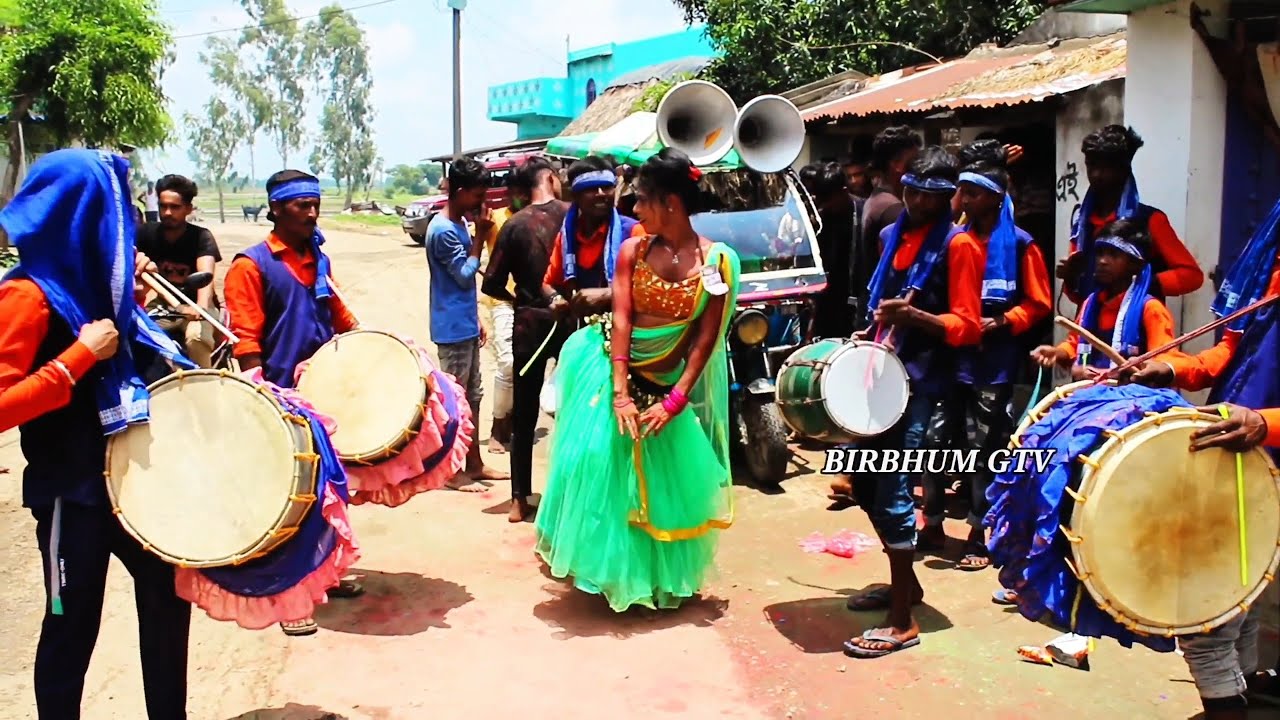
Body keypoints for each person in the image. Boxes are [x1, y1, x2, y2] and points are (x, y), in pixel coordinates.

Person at [0, 149, 196, 719]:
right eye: (113, 210)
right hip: (73, 493)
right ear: (79, 217)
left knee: (167, 604)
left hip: (135, 487)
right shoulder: (26, 296)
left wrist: (133, 299)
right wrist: (77, 359)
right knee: (71, 625)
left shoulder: (100, 289)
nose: (125, 221)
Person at [534, 147, 739, 612]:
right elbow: (622, 318)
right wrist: (621, 392)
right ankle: (607, 574)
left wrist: (676, 401)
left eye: (643, 199)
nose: (635, 208)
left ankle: (655, 580)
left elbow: (706, 338)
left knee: (664, 487)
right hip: (610, 367)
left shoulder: (718, 262)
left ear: (671, 203)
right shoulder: (634, 250)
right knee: (596, 466)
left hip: (667, 385)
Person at [1126, 197, 1280, 719]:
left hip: (1265, 452)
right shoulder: (1267, 269)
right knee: (1244, 591)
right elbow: (1229, 353)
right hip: (1237, 454)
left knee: (1208, 609)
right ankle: (1246, 685)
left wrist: (1265, 423)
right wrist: (1174, 370)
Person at [834, 147, 983, 658]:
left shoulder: (960, 246)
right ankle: (907, 587)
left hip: (921, 383)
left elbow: (969, 326)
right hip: (882, 374)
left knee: (894, 488)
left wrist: (915, 318)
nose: (919, 203)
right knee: (864, 482)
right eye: (913, 192)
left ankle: (902, 622)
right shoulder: (889, 236)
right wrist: (872, 330)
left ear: (950, 198)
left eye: (932, 196)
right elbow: (882, 307)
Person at [222, 169, 365, 635]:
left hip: (318, 394)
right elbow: (246, 340)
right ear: (276, 209)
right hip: (278, 395)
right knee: (285, 499)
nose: (312, 213)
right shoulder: (251, 266)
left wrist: (368, 348)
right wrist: (262, 396)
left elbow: (339, 316)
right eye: (302, 205)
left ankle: (323, 576)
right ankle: (288, 598)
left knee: (325, 492)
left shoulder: (318, 259)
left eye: (315, 204)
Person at [919, 141, 1052, 566]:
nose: (964, 200)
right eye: (962, 192)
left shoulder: (1021, 244)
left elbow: (1039, 303)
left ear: (995, 197)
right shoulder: (951, 241)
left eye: (972, 193)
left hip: (993, 361)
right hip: (950, 356)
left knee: (985, 447)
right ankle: (932, 523)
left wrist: (1002, 321)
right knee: (934, 440)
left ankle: (979, 532)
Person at [481, 156, 569, 522]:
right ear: (549, 178)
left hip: (529, 324)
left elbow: (491, 284)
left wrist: (522, 298)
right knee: (575, 410)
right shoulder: (572, 215)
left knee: (525, 413)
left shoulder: (514, 225)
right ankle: (569, 497)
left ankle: (519, 500)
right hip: (571, 321)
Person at [425, 157, 508, 490]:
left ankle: (474, 463)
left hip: (464, 323)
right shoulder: (443, 230)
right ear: (459, 192)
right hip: (451, 328)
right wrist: (480, 238)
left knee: (473, 396)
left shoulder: (458, 222)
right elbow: (462, 275)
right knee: (454, 401)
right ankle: (452, 470)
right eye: (477, 195)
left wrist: (475, 317)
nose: (481, 201)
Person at [1059, 125, 1203, 302]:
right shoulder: (1082, 224)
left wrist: (1141, 284)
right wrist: (1070, 277)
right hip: (1091, 317)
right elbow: (1080, 295)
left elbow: (1191, 275)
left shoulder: (1149, 220)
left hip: (1135, 317)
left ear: (1123, 170)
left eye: (1105, 167)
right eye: (1092, 166)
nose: (1096, 174)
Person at [1032, 219, 1175, 379]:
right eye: (1100, 253)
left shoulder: (1151, 309)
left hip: (1132, 393)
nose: (1102, 261)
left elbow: (1162, 362)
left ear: (1135, 264)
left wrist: (1116, 374)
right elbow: (1075, 343)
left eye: (1114, 255)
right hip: (1092, 389)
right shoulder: (1091, 303)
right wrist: (1057, 353)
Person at [136, 174, 221, 367]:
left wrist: (200, 308)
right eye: (163, 206)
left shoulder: (201, 236)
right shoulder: (146, 234)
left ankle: (204, 380)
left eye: (175, 207)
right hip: (164, 305)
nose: (167, 213)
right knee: (138, 334)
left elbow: (206, 279)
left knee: (197, 338)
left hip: (199, 305)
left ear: (188, 209)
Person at [477, 173, 519, 454]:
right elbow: (473, 251)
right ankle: (497, 425)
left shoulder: (537, 216)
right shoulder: (495, 218)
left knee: (525, 366)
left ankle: (512, 421)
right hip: (503, 299)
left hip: (531, 300)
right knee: (507, 362)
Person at [801, 162, 865, 338]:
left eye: (828, 200)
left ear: (843, 192)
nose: (824, 206)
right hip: (827, 300)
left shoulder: (865, 214)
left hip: (856, 299)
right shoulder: (821, 218)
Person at [861, 126, 922, 244]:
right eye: (913, 162)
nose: (918, 168)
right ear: (896, 164)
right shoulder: (892, 209)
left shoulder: (879, 200)